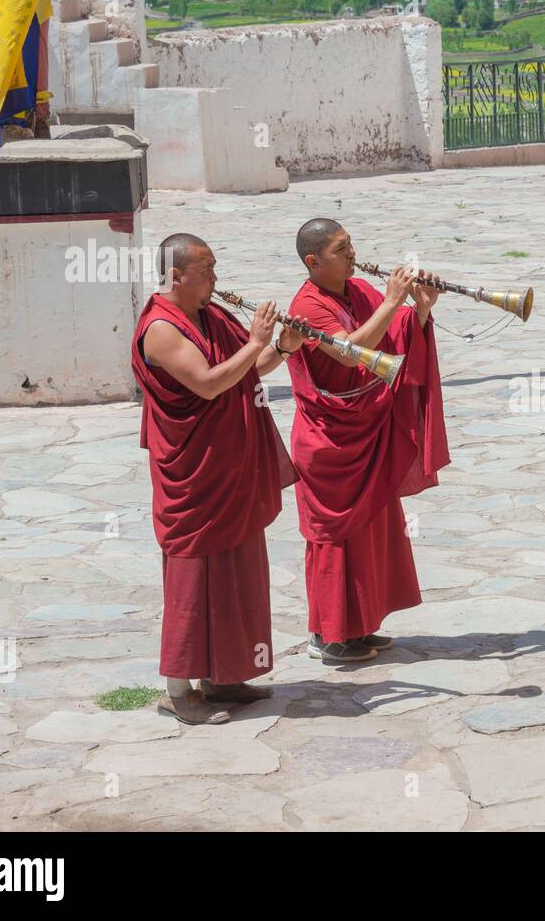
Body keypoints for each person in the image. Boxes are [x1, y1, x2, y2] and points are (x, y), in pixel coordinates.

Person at [132, 233, 305, 724]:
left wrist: (283, 349)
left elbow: (244, 374)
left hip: (229, 468)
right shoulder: (162, 329)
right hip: (195, 475)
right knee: (192, 578)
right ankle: (178, 690)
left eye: (213, 267)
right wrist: (255, 341)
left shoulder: (211, 316)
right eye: (205, 269)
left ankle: (224, 675)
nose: (214, 277)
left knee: (236, 571)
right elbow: (208, 385)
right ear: (175, 275)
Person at [286, 219, 450, 662]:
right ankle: (330, 634)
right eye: (342, 249)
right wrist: (395, 298)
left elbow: (394, 333)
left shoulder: (358, 289)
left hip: (366, 428)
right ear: (313, 261)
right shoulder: (306, 306)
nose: (353, 253)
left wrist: (419, 308)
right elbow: (349, 350)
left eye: (351, 244)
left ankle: (358, 627)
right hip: (329, 441)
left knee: (371, 531)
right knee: (335, 537)